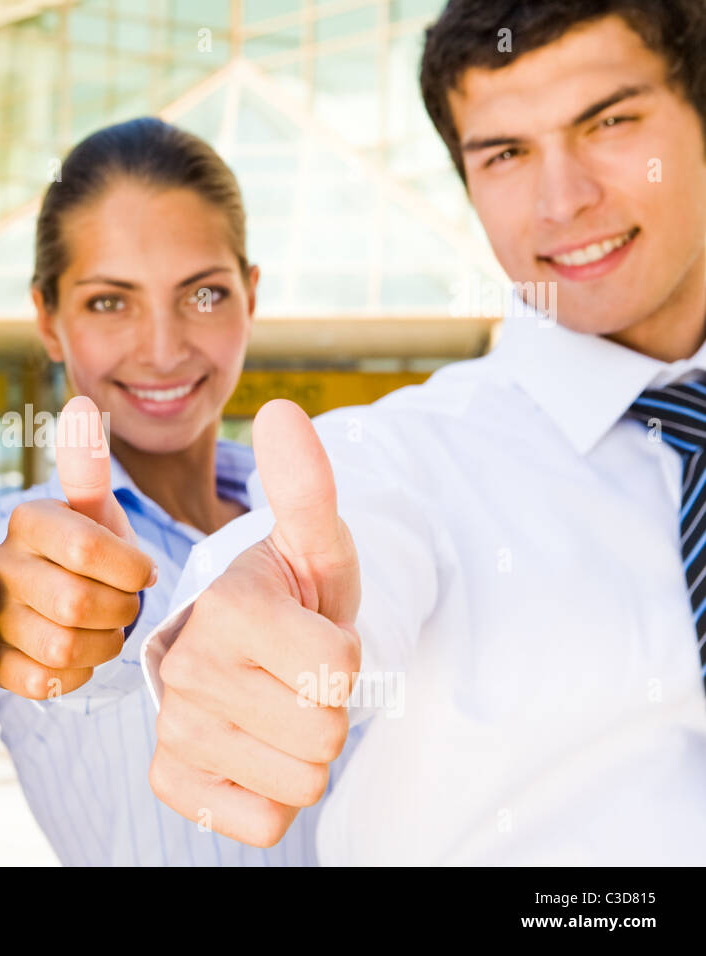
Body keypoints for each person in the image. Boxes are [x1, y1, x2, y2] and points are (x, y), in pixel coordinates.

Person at [145, 0, 706, 863]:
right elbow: (346, 544)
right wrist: (246, 629)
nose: (564, 200)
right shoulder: (409, 455)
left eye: (611, 121)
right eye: (507, 153)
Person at [0, 117, 354, 864]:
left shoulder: (303, 511)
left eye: (202, 295)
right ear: (48, 319)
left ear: (251, 294)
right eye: (111, 301)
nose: (165, 348)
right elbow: (66, 638)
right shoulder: (20, 536)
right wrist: (62, 622)